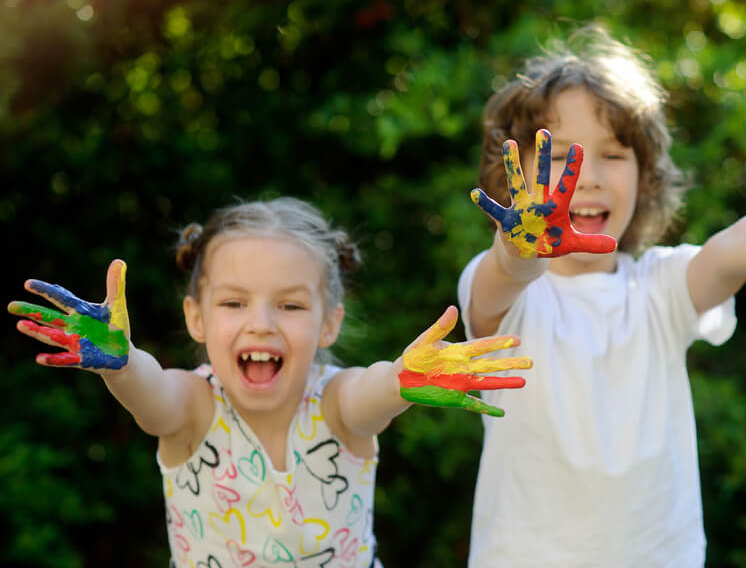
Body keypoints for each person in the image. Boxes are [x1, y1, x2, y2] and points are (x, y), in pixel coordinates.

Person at [459, 25, 746, 567]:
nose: (585, 178)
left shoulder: (659, 287)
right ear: (510, 180)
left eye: (612, 155)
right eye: (561, 155)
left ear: (647, 177)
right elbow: (503, 271)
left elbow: (733, 249)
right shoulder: (509, 293)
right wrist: (517, 246)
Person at [8, 197, 531, 568]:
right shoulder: (194, 408)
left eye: (290, 305)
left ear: (329, 322)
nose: (261, 322)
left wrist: (402, 379)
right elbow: (153, 395)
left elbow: (371, 392)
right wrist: (122, 364)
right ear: (197, 318)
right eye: (234, 303)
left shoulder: (334, 405)